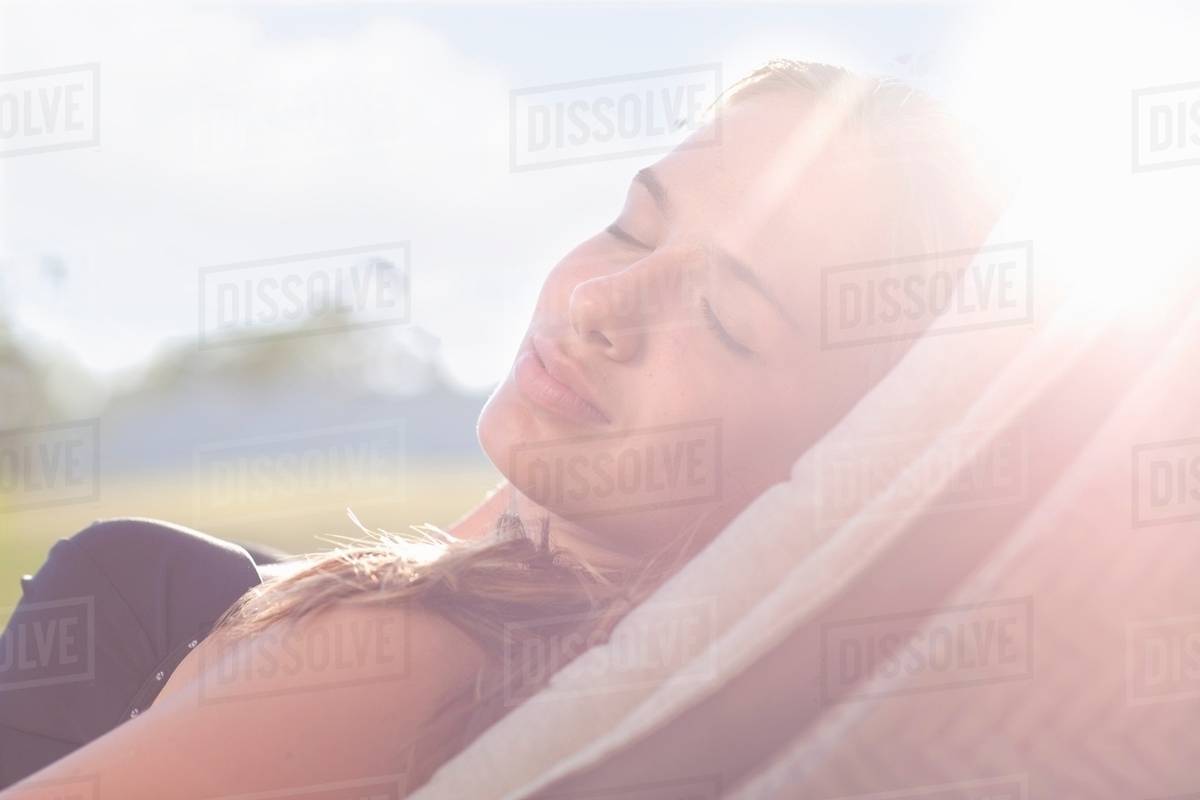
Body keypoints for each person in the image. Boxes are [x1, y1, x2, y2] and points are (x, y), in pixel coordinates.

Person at [0, 60, 1005, 798]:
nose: (604, 299)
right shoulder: (545, 567)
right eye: (632, 225)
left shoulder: (406, 662)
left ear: (837, 457)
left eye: (723, 318)